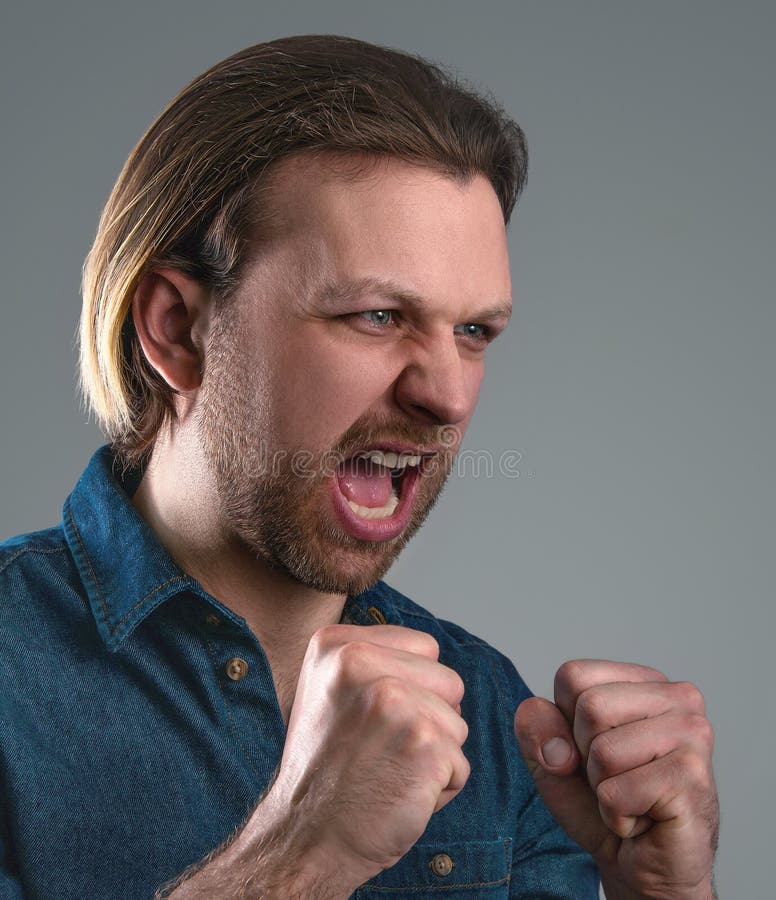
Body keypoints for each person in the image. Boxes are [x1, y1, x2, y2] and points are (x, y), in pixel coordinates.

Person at [0, 35, 718, 899]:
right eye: (378, 316)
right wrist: (301, 855)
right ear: (178, 330)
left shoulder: (489, 711)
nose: (448, 396)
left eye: (474, 332)